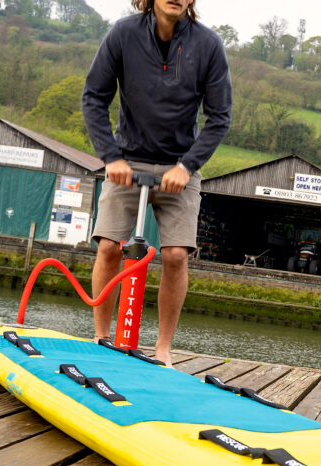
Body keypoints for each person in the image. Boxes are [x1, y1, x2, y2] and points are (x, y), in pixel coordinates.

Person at [81, 0, 231, 365]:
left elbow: (219, 117)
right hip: (126, 161)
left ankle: (163, 349)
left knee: (176, 255)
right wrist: (111, 157)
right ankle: (103, 338)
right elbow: (94, 98)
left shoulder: (208, 45)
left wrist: (188, 165)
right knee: (109, 248)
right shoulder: (123, 34)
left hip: (179, 167)